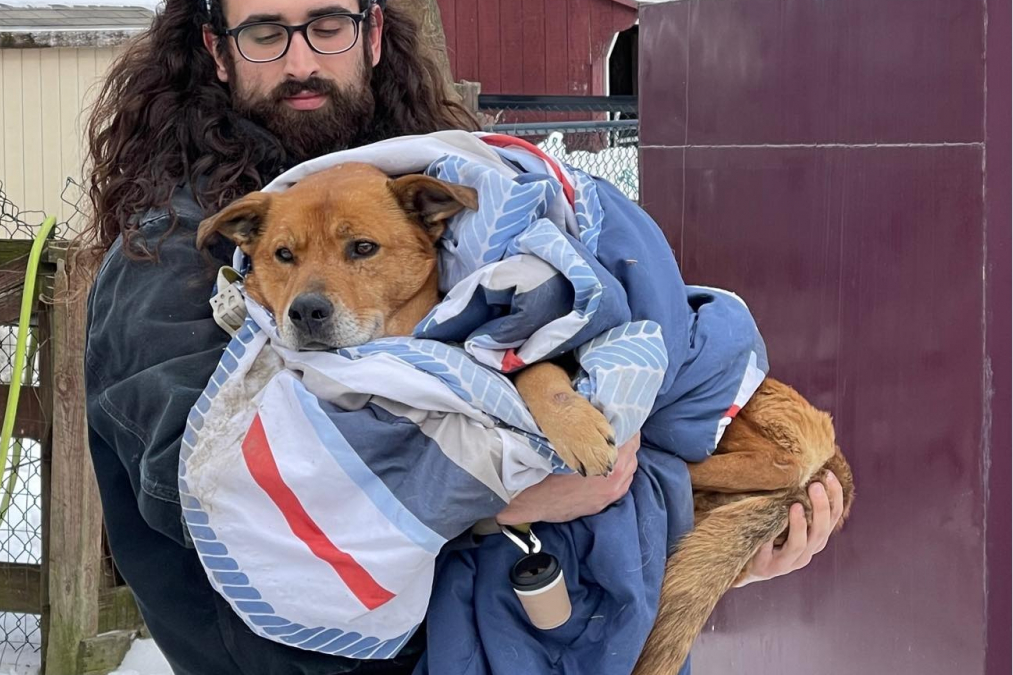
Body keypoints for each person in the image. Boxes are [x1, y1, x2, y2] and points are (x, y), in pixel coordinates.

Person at [79, 1, 846, 673]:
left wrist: (704, 533)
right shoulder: (173, 258)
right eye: (266, 33)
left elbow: (595, 385)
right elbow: (223, 492)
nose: (302, 59)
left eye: (326, 25)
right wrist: (500, 496)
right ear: (216, 50)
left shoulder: (469, 209)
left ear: (373, 33)